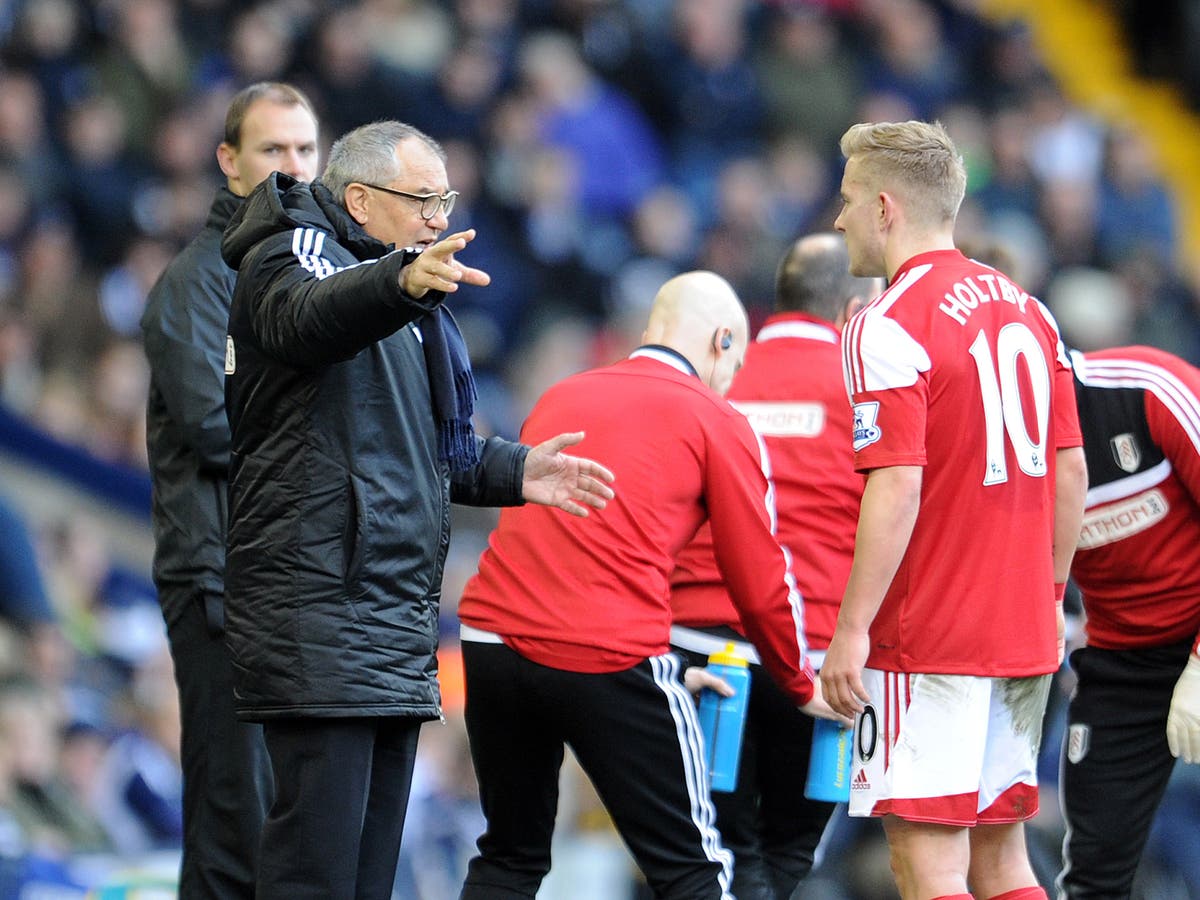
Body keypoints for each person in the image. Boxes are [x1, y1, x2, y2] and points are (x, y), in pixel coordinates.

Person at [219, 119, 615, 900]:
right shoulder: (295, 252)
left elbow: (431, 448)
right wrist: (398, 283)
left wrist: (519, 469)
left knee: (367, 881)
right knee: (314, 876)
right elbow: (306, 317)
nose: (442, 219)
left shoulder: (401, 303)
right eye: (424, 200)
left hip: (387, 627)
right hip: (321, 612)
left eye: (447, 199)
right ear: (359, 201)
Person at [455, 270, 844, 900]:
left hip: (493, 639)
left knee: (509, 858)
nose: (733, 380)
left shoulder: (564, 393)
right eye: (735, 362)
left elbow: (562, 544)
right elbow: (760, 579)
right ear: (722, 342)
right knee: (696, 871)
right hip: (604, 652)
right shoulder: (715, 417)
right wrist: (800, 684)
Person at [820, 119, 1089, 900]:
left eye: (843, 203)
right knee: (1003, 863)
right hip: (1023, 633)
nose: (836, 221)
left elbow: (897, 484)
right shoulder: (1031, 311)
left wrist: (851, 630)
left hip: (928, 636)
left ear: (882, 207)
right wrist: (1045, 593)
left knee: (927, 867)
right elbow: (1070, 472)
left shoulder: (887, 323)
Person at [140, 81, 319, 899]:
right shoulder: (194, 283)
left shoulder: (303, 274)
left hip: (282, 585)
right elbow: (216, 429)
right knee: (231, 823)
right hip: (216, 579)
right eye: (271, 150)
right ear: (228, 161)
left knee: (276, 824)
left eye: (304, 150)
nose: (291, 167)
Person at [668, 232, 881, 899]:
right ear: (853, 312)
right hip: (820, 666)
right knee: (790, 849)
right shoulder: (873, 389)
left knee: (714, 852)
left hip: (701, 655)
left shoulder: (713, 377)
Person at [1057, 344, 1200, 898]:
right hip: (1121, 663)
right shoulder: (992, 436)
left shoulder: (1147, 387)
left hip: (1193, 637)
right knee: (1095, 870)